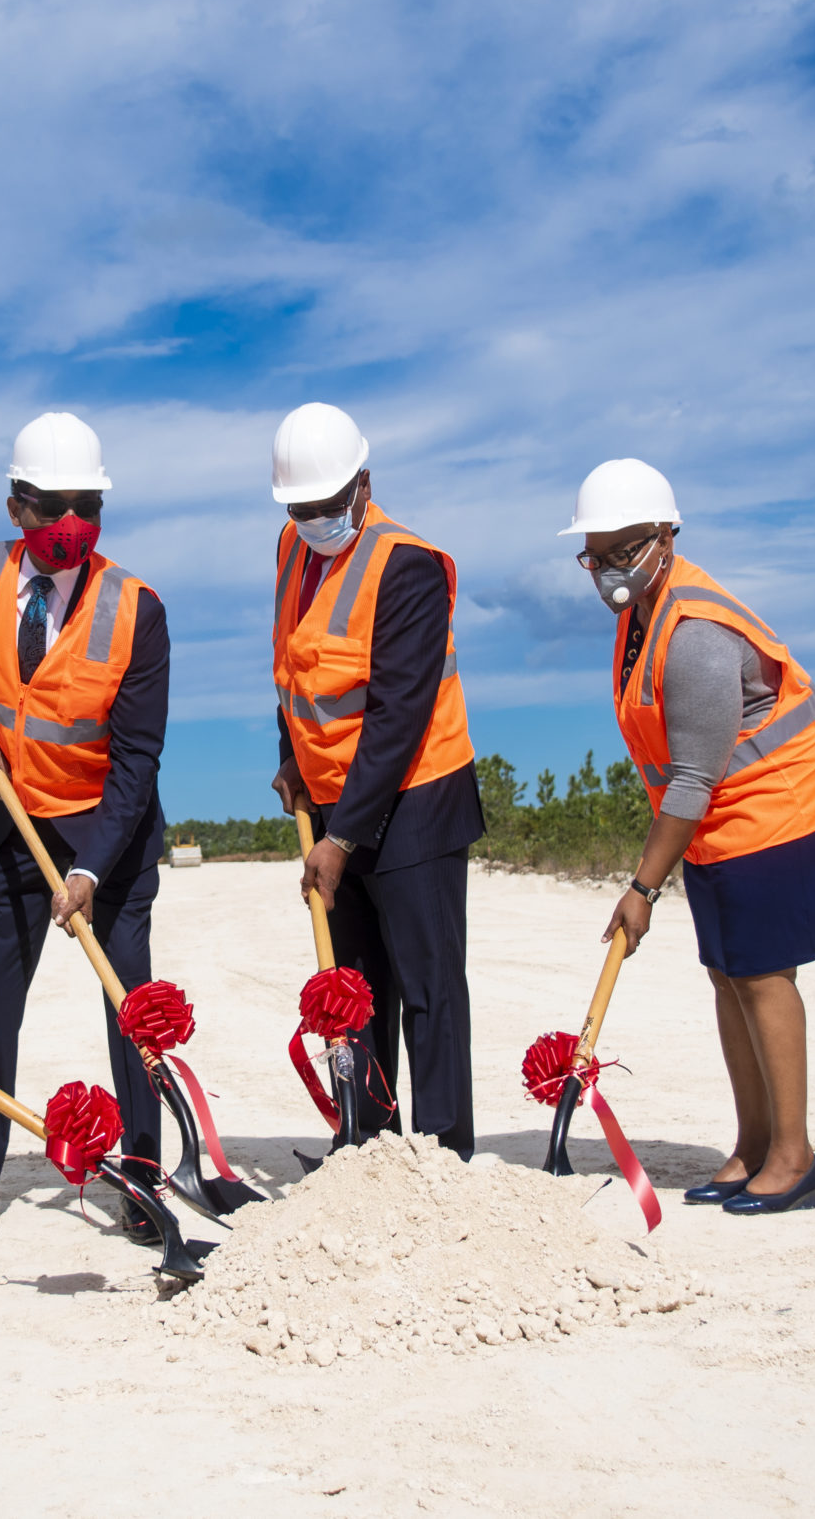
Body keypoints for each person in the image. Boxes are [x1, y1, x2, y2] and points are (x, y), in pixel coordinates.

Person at [567, 457, 815, 1215]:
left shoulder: (694, 633)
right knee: (728, 971)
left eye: (624, 550)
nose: (607, 571)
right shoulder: (642, 615)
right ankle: (754, 1142)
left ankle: (795, 1160)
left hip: (784, 803)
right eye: (594, 556)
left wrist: (642, 888)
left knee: (764, 973)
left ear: (667, 536)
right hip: (723, 815)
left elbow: (693, 777)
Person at [0, 412, 170, 1242]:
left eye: (86, 505)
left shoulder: (138, 609)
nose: (71, 523)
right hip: (11, 825)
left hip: (113, 837)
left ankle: (142, 1178)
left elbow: (138, 761)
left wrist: (92, 871)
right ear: (14, 506)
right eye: (52, 504)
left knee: (130, 1004)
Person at [269, 402, 483, 1159]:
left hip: (417, 800)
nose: (316, 518)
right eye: (302, 508)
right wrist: (292, 754)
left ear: (364, 482)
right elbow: (294, 668)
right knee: (355, 988)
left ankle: (443, 1150)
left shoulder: (408, 565)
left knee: (428, 987)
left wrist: (342, 836)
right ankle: (366, 1140)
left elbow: (397, 715)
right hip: (333, 795)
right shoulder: (291, 549)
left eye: (329, 504)